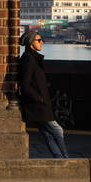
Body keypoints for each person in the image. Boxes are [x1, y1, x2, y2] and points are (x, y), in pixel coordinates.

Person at [17, 30, 69, 159]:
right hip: (38, 105)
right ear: (31, 43)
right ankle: (65, 157)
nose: (42, 43)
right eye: (39, 40)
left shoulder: (33, 58)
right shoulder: (29, 59)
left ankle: (59, 157)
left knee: (47, 134)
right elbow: (25, 83)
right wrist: (39, 98)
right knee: (57, 130)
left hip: (39, 104)